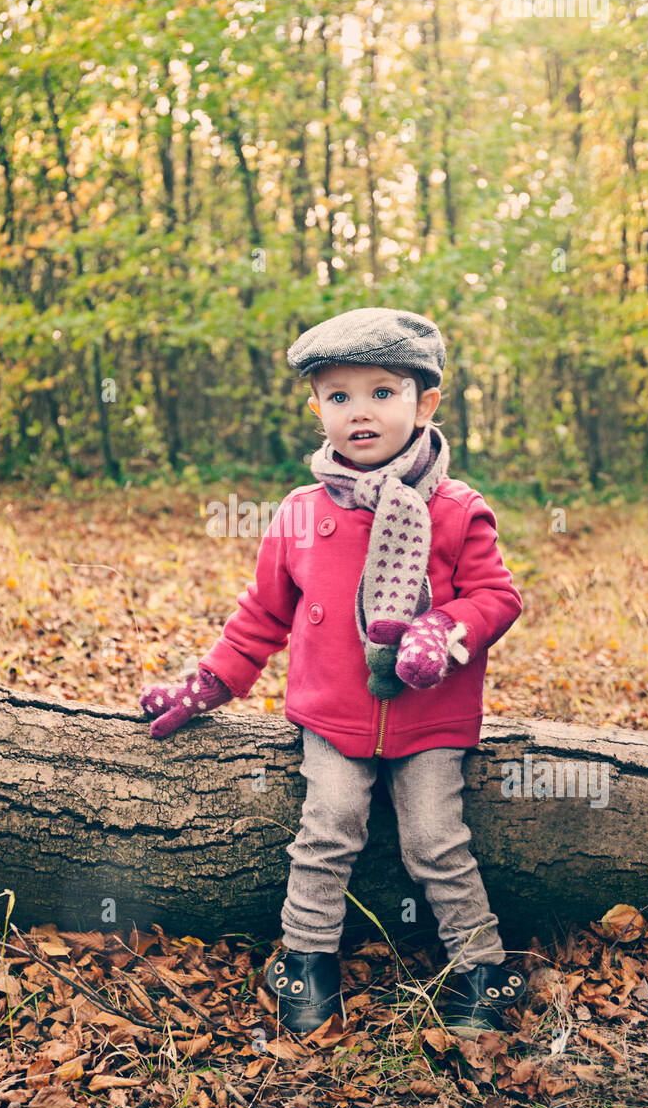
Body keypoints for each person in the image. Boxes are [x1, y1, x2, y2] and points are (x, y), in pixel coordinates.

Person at [139, 307, 526, 1038]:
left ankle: (480, 966)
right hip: (333, 717)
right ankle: (307, 960)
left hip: (428, 717)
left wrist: (445, 630)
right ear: (316, 407)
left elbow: (497, 596)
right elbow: (261, 617)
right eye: (339, 396)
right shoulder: (299, 513)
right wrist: (205, 684)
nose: (362, 413)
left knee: (435, 839)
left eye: (383, 392)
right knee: (330, 825)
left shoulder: (456, 509)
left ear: (425, 404)